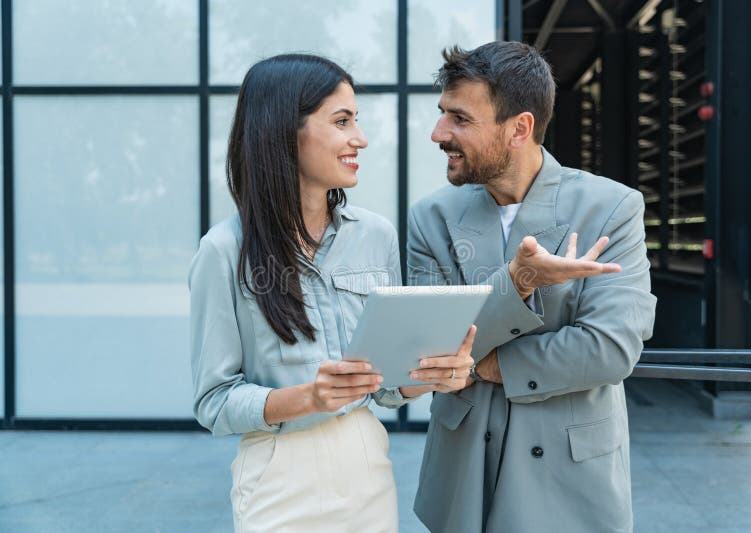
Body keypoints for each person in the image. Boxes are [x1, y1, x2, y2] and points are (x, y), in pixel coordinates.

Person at [188, 54, 476, 533]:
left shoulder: (376, 236)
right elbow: (214, 401)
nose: (359, 139)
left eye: (356, 121)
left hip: (366, 463)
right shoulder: (223, 251)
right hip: (278, 475)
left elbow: (384, 386)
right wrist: (309, 397)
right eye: (341, 121)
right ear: (283, 130)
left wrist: (433, 375)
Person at [408, 41, 658, 533]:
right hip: (463, 476)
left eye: (459, 118)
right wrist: (518, 282)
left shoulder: (612, 208)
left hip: (569, 479)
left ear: (519, 127)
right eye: (442, 113)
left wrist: (486, 364)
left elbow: (610, 349)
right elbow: (428, 352)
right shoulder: (430, 218)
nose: (439, 133)